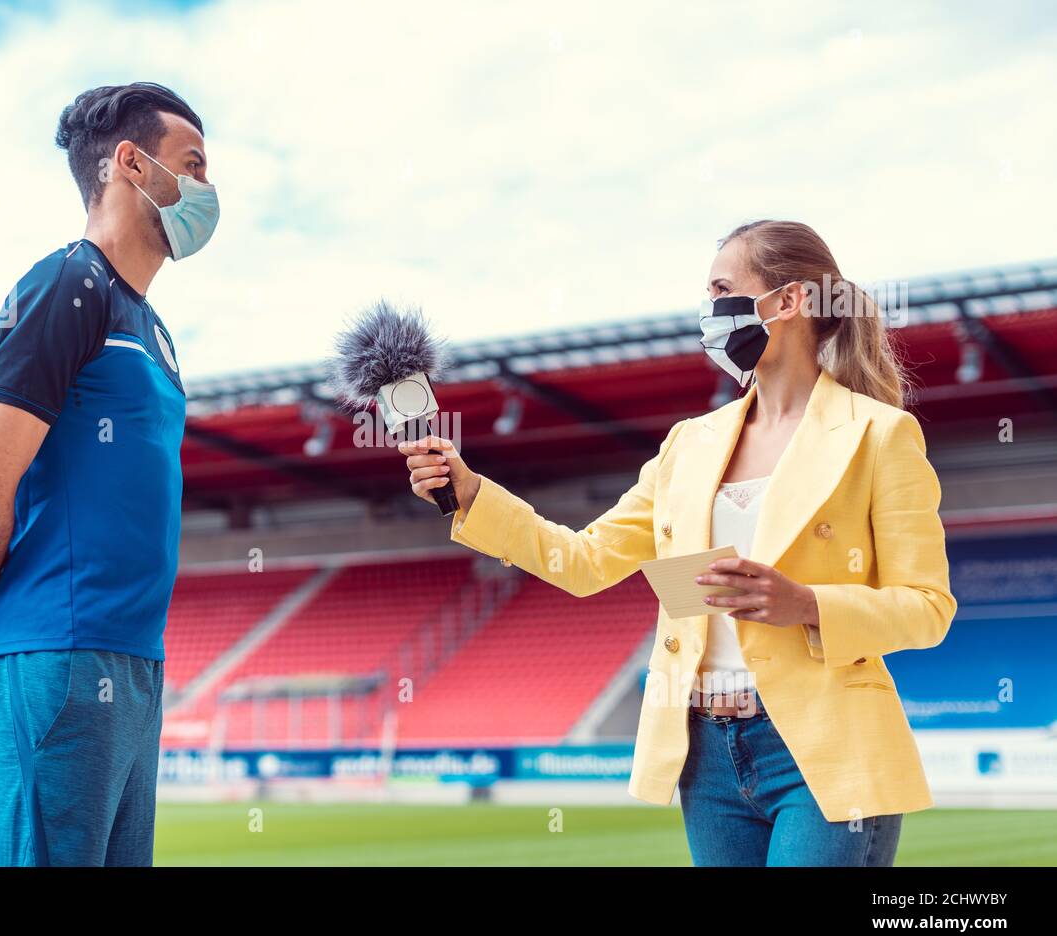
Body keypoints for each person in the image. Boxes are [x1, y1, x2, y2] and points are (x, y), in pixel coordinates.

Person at [399, 220, 956, 866]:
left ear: (789, 302)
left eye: (723, 288)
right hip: (709, 758)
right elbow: (582, 561)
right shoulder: (686, 446)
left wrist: (806, 602)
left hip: (826, 750)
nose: (709, 311)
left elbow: (927, 605)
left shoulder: (881, 435)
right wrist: (470, 493)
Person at [0, 82, 218, 866]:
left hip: (135, 660)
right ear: (130, 164)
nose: (208, 191)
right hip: (57, 653)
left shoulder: (153, 330)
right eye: (193, 166)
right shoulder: (66, 286)